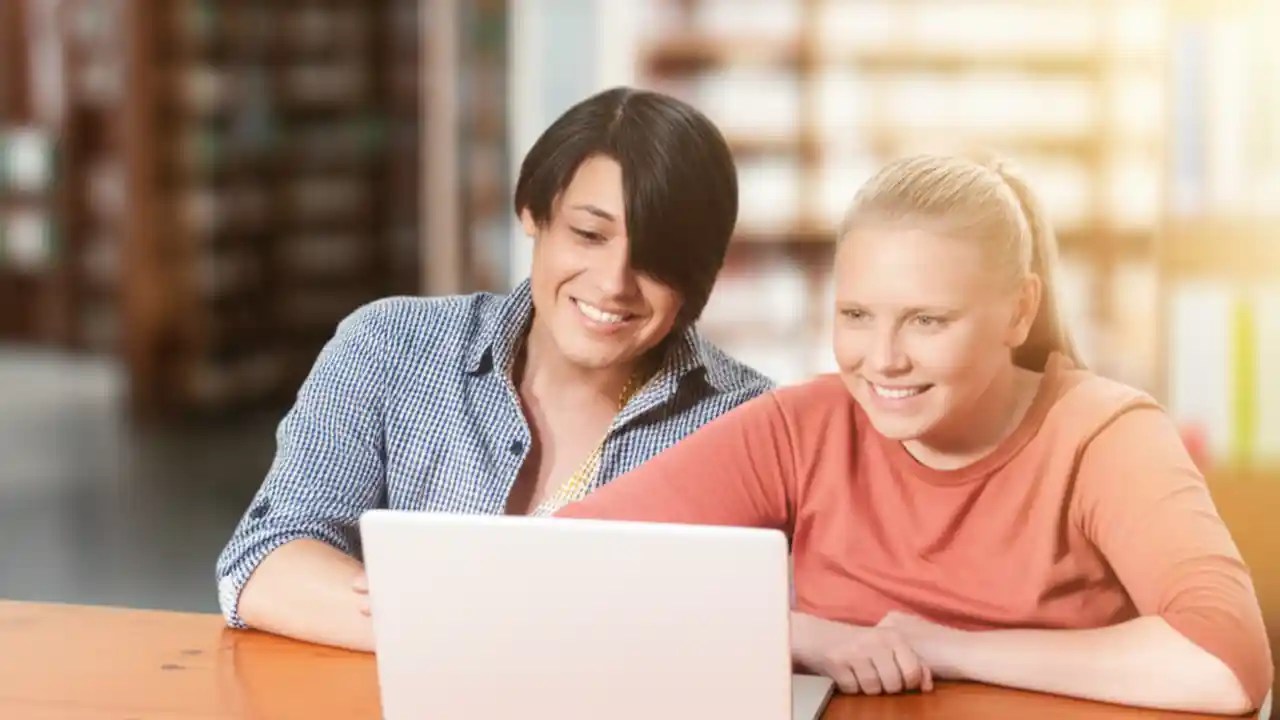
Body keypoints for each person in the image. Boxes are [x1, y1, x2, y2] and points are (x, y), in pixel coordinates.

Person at [557, 154, 1274, 715]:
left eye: (927, 321)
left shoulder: (1104, 435)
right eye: (857, 315)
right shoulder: (805, 426)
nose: (884, 359)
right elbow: (560, 565)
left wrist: (945, 648)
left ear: (1018, 312)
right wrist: (800, 636)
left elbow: (1225, 661)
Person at [216, 87, 773, 651]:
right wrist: (493, 635)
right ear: (532, 214)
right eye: (588, 234)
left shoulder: (753, 425)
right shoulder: (389, 346)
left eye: (657, 257)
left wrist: (433, 619)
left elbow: (752, 632)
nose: (613, 283)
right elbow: (264, 564)